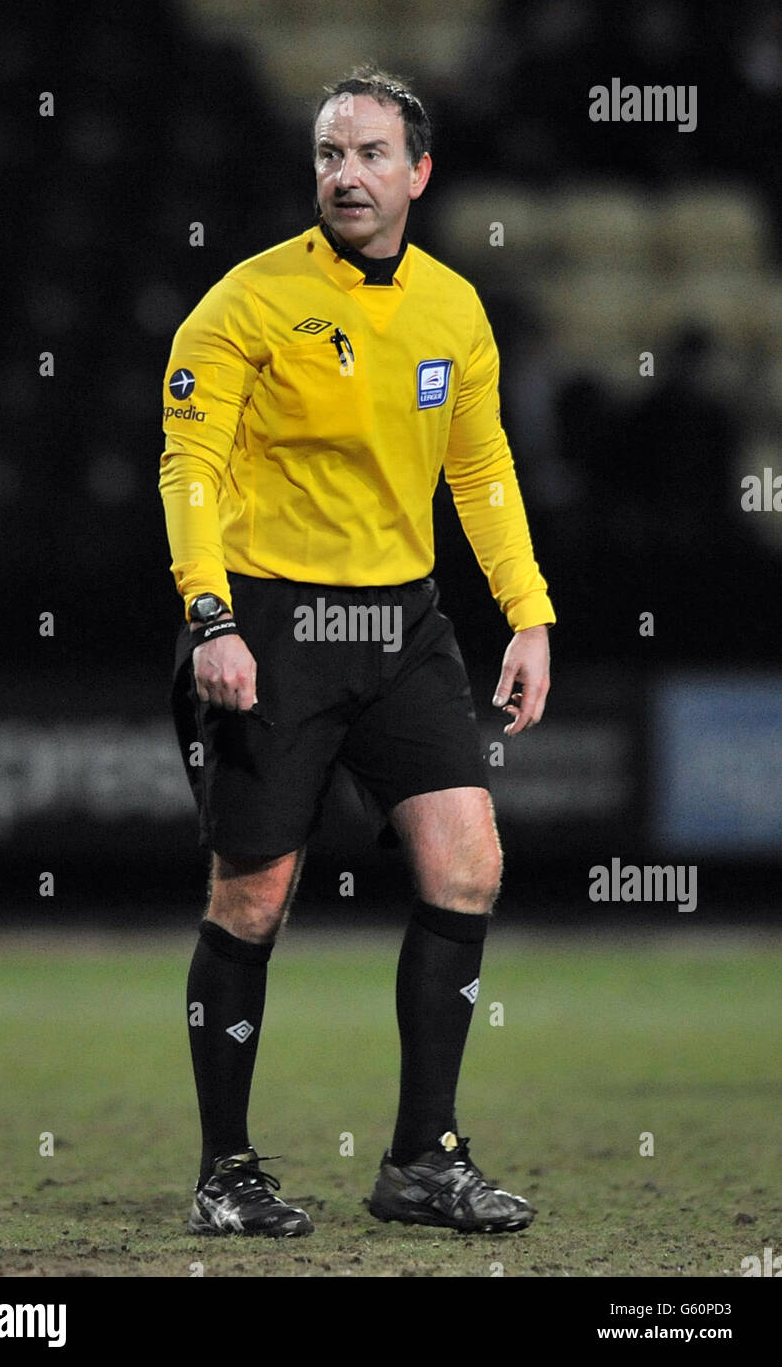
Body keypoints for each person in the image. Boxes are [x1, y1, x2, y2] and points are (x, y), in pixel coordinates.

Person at [159, 66, 555, 1239]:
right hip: (274, 626)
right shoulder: (241, 304)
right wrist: (210, 618)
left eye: (372, 153)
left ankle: (421, 1163)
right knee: (255, 894)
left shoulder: (452, 309)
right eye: (331, 153)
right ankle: (225, 1173)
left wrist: (527, 614)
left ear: (419, 173)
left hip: (404, 626)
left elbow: (481, 473)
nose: (346, 173)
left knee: (468, 861)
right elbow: (193, 471)